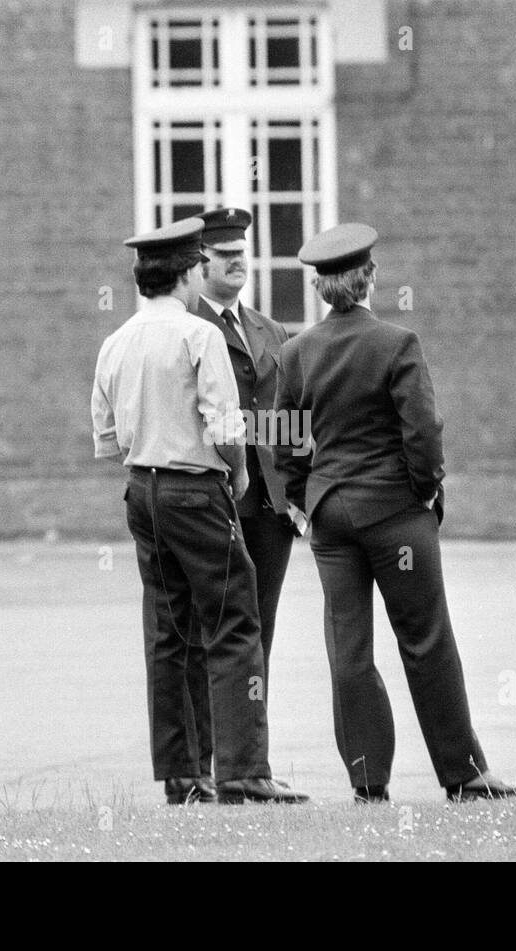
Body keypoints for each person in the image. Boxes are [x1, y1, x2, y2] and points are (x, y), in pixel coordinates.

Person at [272, 222, 516, 804]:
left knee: (349, 649)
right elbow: (423, 431)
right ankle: (463, 774)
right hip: (395, 513)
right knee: (425, 638)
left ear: (319, 287)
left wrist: (304, 498)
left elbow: (283, 440)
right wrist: (426, 489)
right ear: (371, 277)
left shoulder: (295, 352)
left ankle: (368, 781)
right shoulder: (397, 343)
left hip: (331, 515)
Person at [91, 217, 307, 806]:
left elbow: (106, 439)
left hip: (143, 490)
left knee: (168, 632)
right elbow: (226, 425)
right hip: (198, 489)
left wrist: (148, 457)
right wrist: (236, 472)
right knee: (236, 624)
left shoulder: (116, 342)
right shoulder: (198, 335)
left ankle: (182, 773)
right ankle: (243, 770)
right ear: (189, 273)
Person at [183, 207, 298, 783]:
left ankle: (251, 763)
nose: (238, 263)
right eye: (225, 255)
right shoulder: (187, 327)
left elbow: (287, 414)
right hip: (217, 499)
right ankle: (204, 764)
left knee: (260, 635)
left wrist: (297, 490)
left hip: (270, 507)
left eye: (242, 253)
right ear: (201, 263)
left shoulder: (269, 330)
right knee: (211, 637)